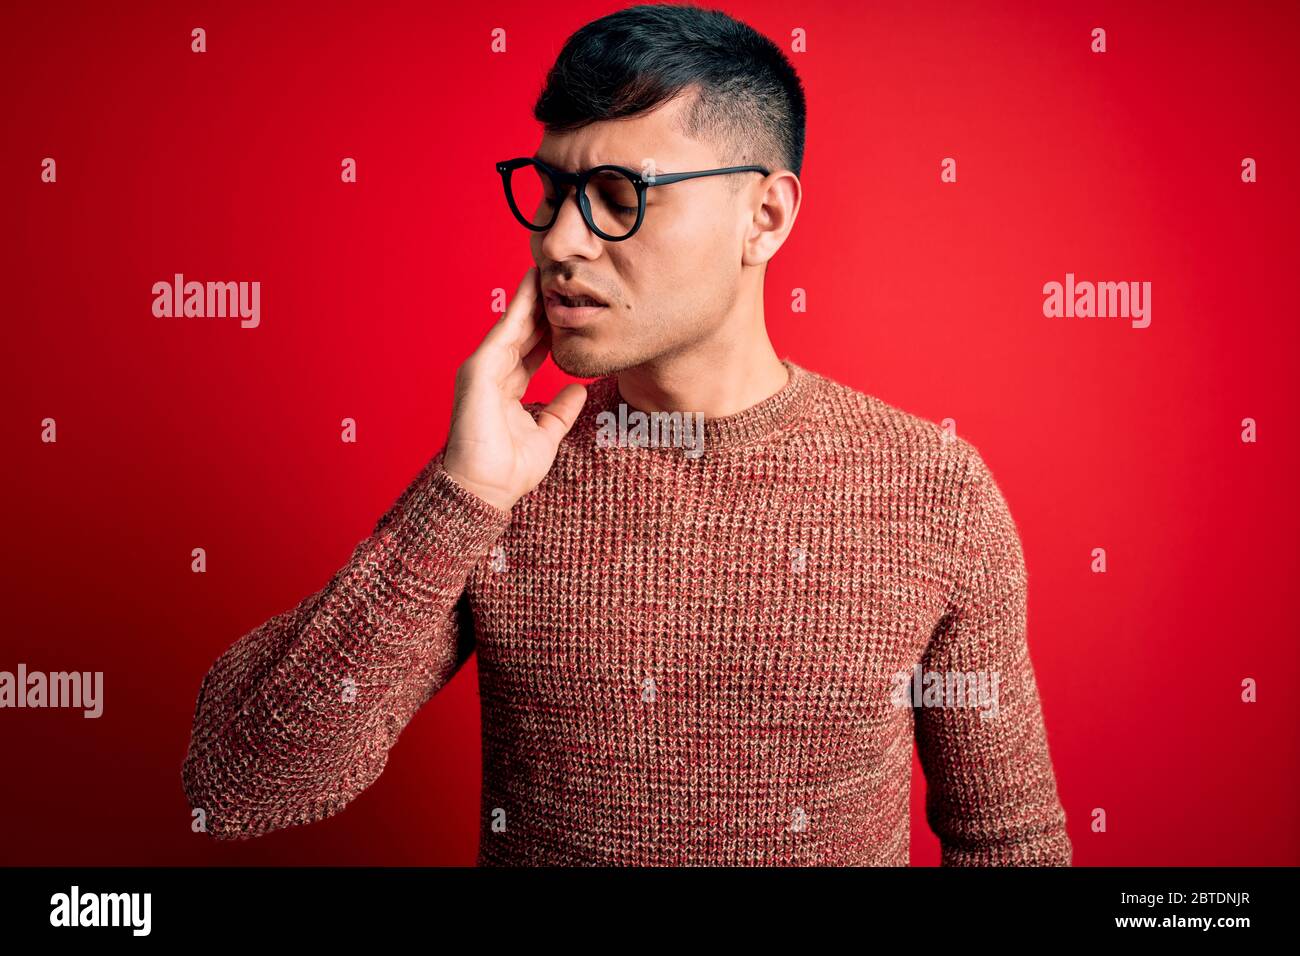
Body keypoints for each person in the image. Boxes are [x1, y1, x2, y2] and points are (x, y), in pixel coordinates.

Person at [182, 3, 1072, 866]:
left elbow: (1009, 843)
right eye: (553, 190)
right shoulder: (506, 477)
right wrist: (461, 501)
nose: (559, 240)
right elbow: (235, 787)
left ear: (764, 217)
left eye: (618, 195)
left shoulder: (933, 489)